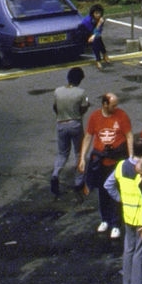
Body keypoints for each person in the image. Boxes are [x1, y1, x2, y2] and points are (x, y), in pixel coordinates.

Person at [105, 133, 142, 284]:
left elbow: (108, 185)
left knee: (128, 248)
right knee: (140, 250)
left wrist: (121, 199)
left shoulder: (120, 165)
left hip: (127, 212)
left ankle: (127, 283)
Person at [83, 92, 132, 238]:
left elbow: (129, 136)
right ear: (104, 104)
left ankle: (116, 223)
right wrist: (82, 157)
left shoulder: (122, 116)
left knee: (115, 191)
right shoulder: (95, 117)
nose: (116, 108)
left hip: (116, 161)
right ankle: (105, 219)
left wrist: (130, 157)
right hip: (101, 162)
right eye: (113, 105)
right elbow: (88, 136)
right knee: (102, 191)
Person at [51, 67, 90, 199]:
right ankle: (79, 181)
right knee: (79, 152)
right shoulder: (81, 93)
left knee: (62, 153)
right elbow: (83, 108)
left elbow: (55, 107)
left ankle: (56, 173)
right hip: (75, 124)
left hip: (61, 124)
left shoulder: (58, 91)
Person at [87, 4, 109, 70]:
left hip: (94, 34)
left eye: (99, 13)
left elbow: (98, 31)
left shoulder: (101, 19)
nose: (98, 15)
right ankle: (99, 59)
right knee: (96, 42)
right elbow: (90, 31)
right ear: (92, 13)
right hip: (85, 33)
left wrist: (99, 25)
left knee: (98, 39)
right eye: (96, 13)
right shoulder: (88, 21)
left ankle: (102, 56)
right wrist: (94, 35)